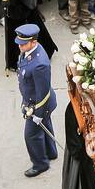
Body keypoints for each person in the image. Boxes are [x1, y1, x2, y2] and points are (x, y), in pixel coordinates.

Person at [17, 22, 57, 177]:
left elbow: (43, 92)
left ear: (34, 42)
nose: (20, 46)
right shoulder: (29, 52)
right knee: (45, 125)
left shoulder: (40, 63)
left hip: (39, 104)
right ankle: (51, 152)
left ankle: (40, 164)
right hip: (32, 100)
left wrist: (37, 112)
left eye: (23, 43)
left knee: (31, 135)